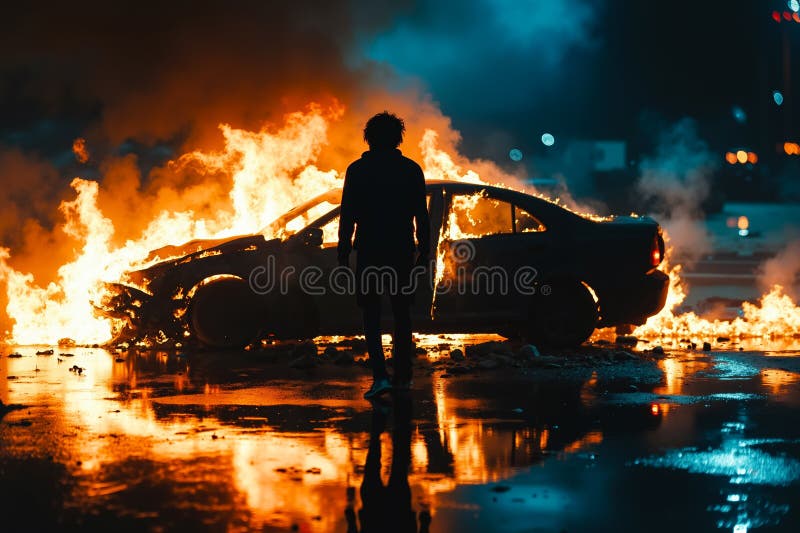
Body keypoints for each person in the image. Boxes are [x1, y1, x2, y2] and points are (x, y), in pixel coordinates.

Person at [338, 111, 430, 400]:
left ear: (369, 138)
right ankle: (403, 374)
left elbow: (348, 214)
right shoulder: (410, 170)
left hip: (370, 250)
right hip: (400, 249)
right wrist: (424, 250)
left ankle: (380, 377)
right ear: (397, 138)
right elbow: (421, 215)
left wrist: (343, 249)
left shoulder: (357, 170)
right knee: (402, 312)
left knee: (371, 313)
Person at [344, 396, 432, 533]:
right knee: (379, 459)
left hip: (390, 516)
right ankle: (390, 410)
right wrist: (350, 518)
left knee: (397, 461)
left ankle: (396, 409)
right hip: (382, 516)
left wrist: (425, 522)